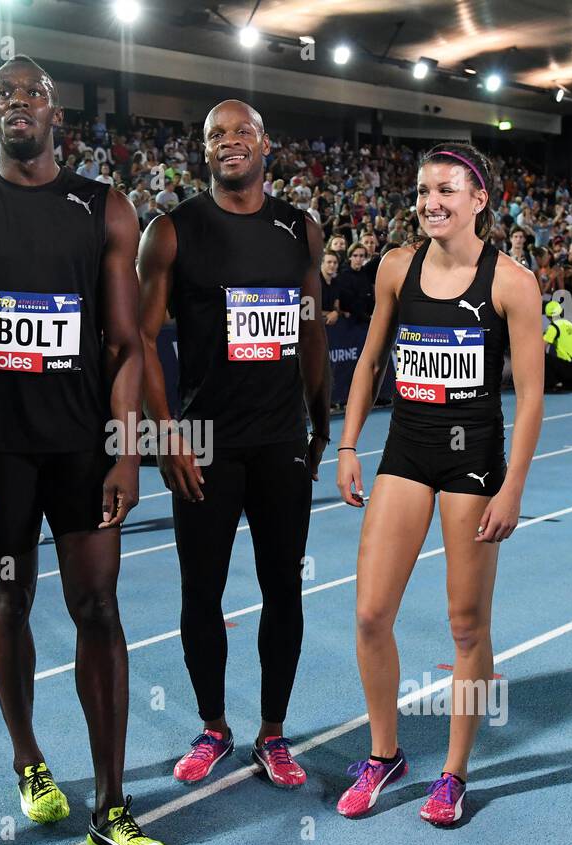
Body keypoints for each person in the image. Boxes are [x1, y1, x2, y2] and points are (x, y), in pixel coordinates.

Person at [0, 55, 169, 845]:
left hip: (82, 442)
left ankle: (112, 803)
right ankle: (28, 759)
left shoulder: (104, 207)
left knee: (99, 608)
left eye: (30, 94)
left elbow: (129, 343)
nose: (16, 104)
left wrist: (129, 451)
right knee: (12, 600)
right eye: (1, 97)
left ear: (56, 112)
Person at [333, 142, 544, 825]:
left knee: (465, 626)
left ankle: (453, 771)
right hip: (407, 450)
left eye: (447, 190)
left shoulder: (511, 282)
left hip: (473, 463)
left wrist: (512, 486)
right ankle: (384, 752)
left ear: (480, 199)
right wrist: (347, 445)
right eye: (424, 190)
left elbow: (533, 399)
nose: (431, 202)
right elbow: (367, 364)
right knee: (369, 613)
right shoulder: (397, 268)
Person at [137, 100, 331, 789]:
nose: (229, 141)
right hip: (207, 443)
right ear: (205, 150)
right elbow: (138, 339)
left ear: (266, 143)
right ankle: (214, 726)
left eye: (241, 130)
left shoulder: (298, 228)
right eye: (215, 133)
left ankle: (273, 734)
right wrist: (166, 435)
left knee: (285, 589)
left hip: (281, 440)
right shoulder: (171, 231)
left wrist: (321, 419)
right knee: (202, 592)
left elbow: (310, 327)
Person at [542, 299, 572, 392]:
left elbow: (541, 348)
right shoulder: (569, 324)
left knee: (542, 357)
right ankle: (570, 383)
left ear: (547, 316)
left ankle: (551, 385)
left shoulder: (553, 326)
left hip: (570, 369)